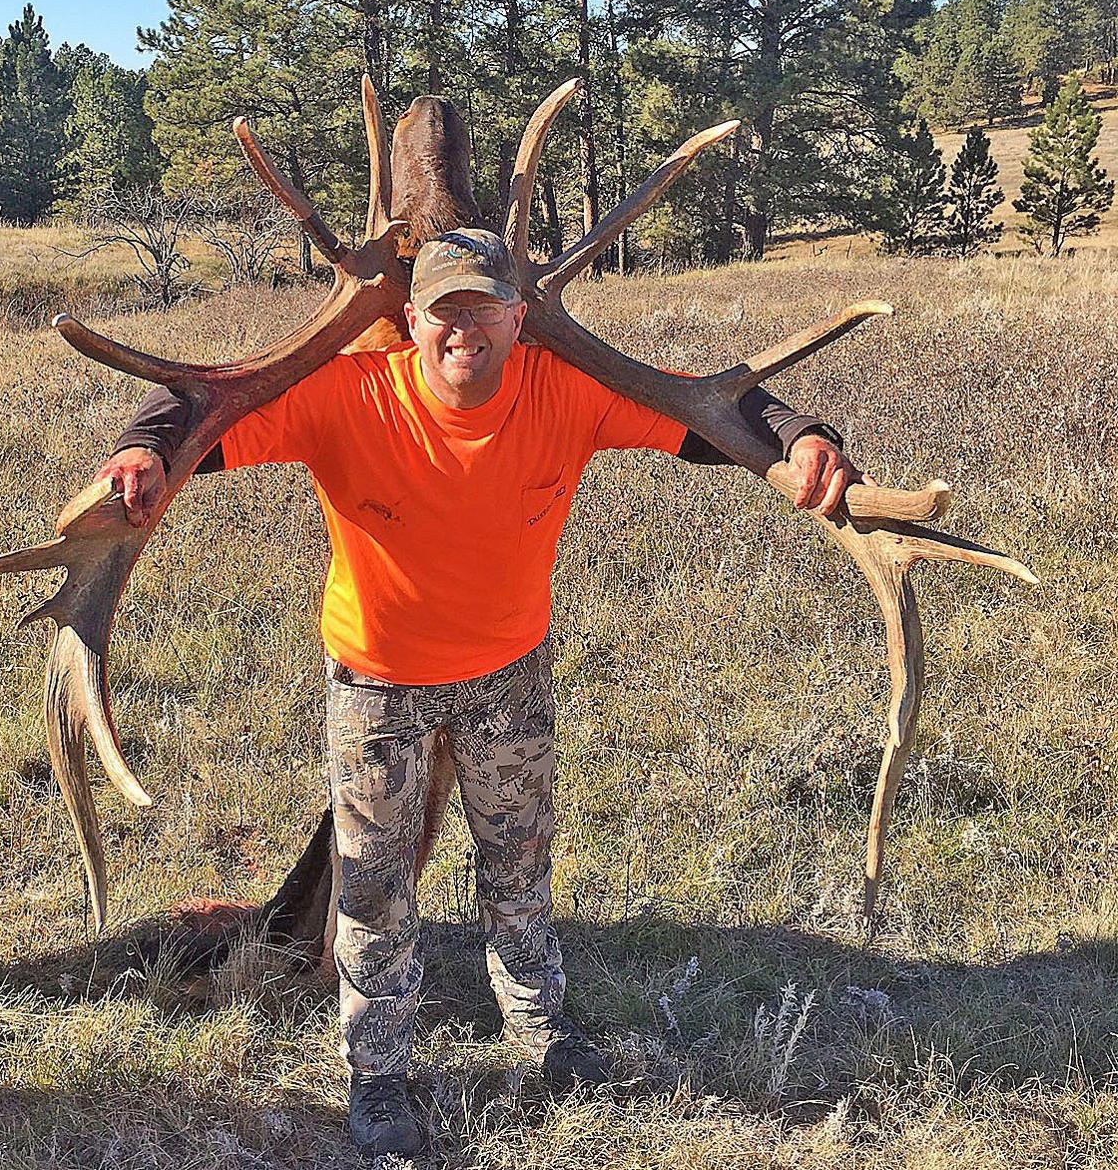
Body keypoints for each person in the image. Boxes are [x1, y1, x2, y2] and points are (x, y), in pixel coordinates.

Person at [96, 229, 860, 1158]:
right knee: (374, 892)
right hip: (378, 689)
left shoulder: (562, 388)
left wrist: (805, 436)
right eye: (445, 309)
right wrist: (144, 449)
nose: (466, 328)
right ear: (411, 318)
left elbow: (709, 417)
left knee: (520, 868)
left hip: (510, 678)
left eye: (484, 307)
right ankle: (377, 1075)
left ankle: (542, 1034)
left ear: (519, 315)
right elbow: (198, 418)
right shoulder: (349, 393)